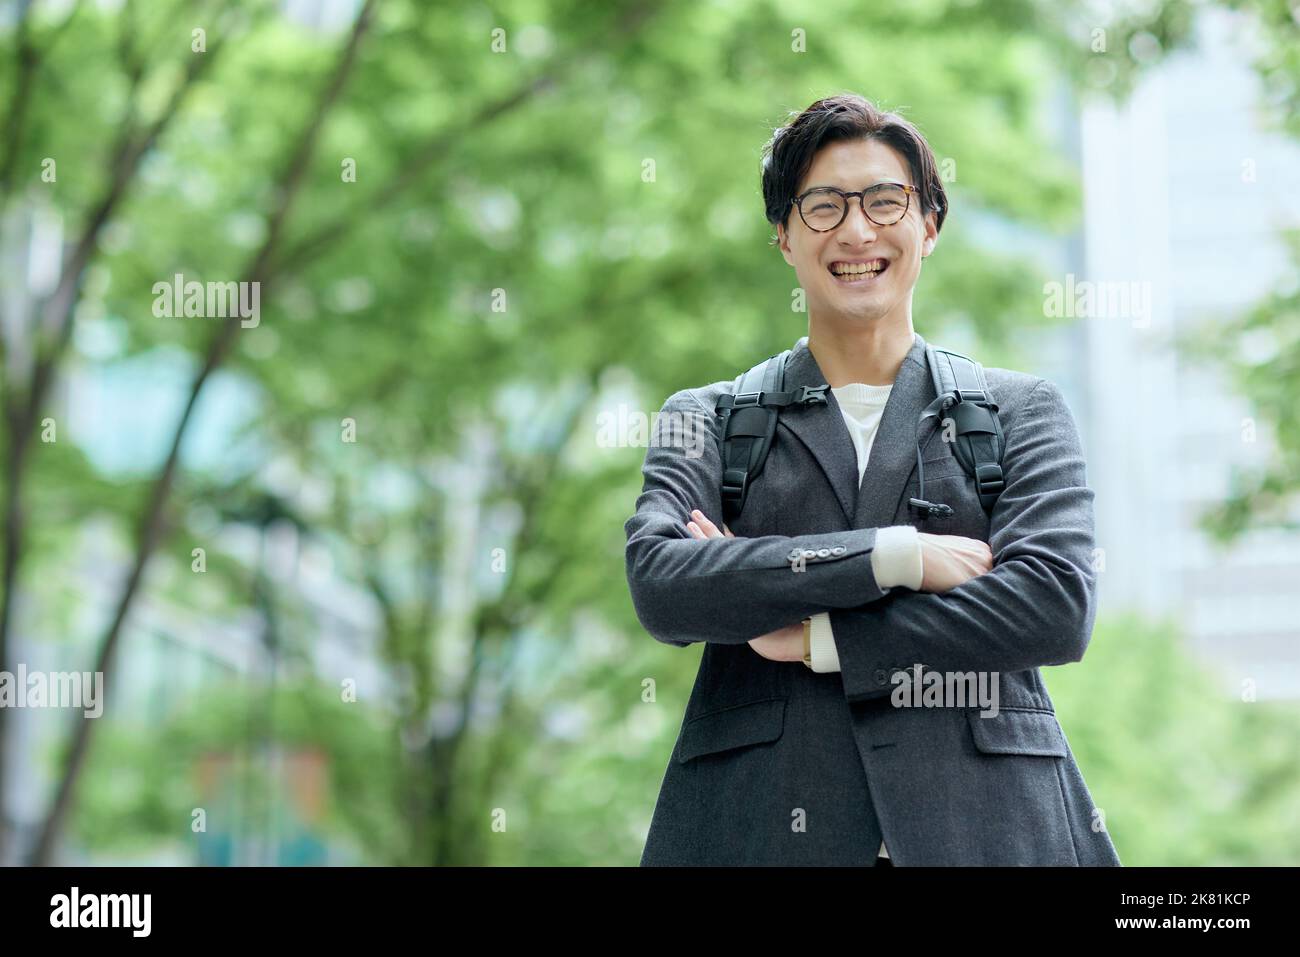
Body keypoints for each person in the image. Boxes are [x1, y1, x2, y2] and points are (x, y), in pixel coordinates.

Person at [624, 92, 1121, 866]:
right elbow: (664, 584)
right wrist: (898, 557)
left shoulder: (1022, 409)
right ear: (783, 237)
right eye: (823, 206)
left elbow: (1054, 603)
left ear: (929, 224)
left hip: (988, 832)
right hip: (757, 831)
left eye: (885, 201)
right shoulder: (703, 417)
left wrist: (819, 635)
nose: (856, 230)